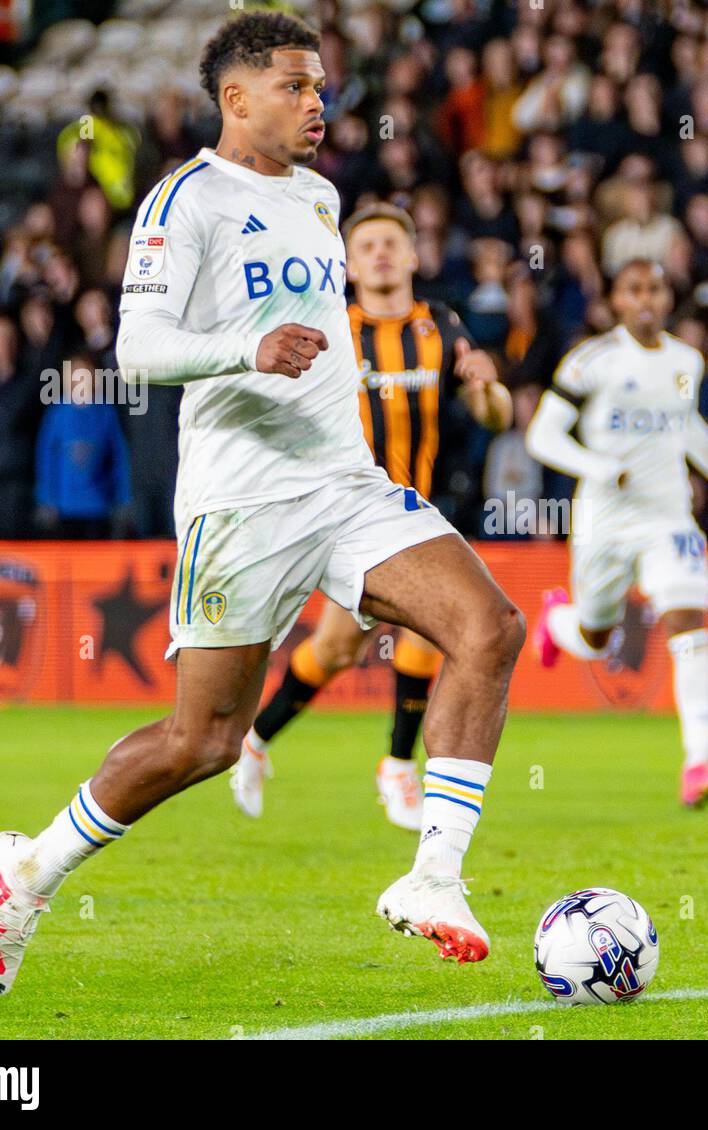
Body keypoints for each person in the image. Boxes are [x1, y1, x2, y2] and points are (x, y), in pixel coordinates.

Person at [0, 12, 524, 998]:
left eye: (320, 86)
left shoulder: (319, 196)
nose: (319, 103)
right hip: (240, 500)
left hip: (344, 483)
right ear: (236, 98)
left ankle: (434, 873)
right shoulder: (184, 200)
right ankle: (30, 867)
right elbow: (136, 349)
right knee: (204, 742)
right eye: (296, 87)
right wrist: (245, 349)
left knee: (488, 624)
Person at [231, 203, 512, 827]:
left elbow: (497, 419)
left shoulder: (441, 325)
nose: (381, 253)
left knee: (433, 626)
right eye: (367, 247)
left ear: (414, 256)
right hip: (347, 518)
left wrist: (487, 387)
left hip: (420, 515)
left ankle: (396, 765)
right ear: (348, 264)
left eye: (392, 243)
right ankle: (256, 740)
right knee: (334, 652)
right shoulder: (328, 328)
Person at [525, 259, 708, 807]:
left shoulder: (686, 360)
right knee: (596, 633)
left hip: (668, 517)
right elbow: (542, 436)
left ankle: (697, 764)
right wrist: (599, 467)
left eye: (655, 287)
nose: (646, 297)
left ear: (667, 296)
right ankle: (556, 624)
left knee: (688, 624)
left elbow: (686, 426)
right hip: (604, 518)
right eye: (634, 289)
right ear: (616, 300)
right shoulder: (592, 361)